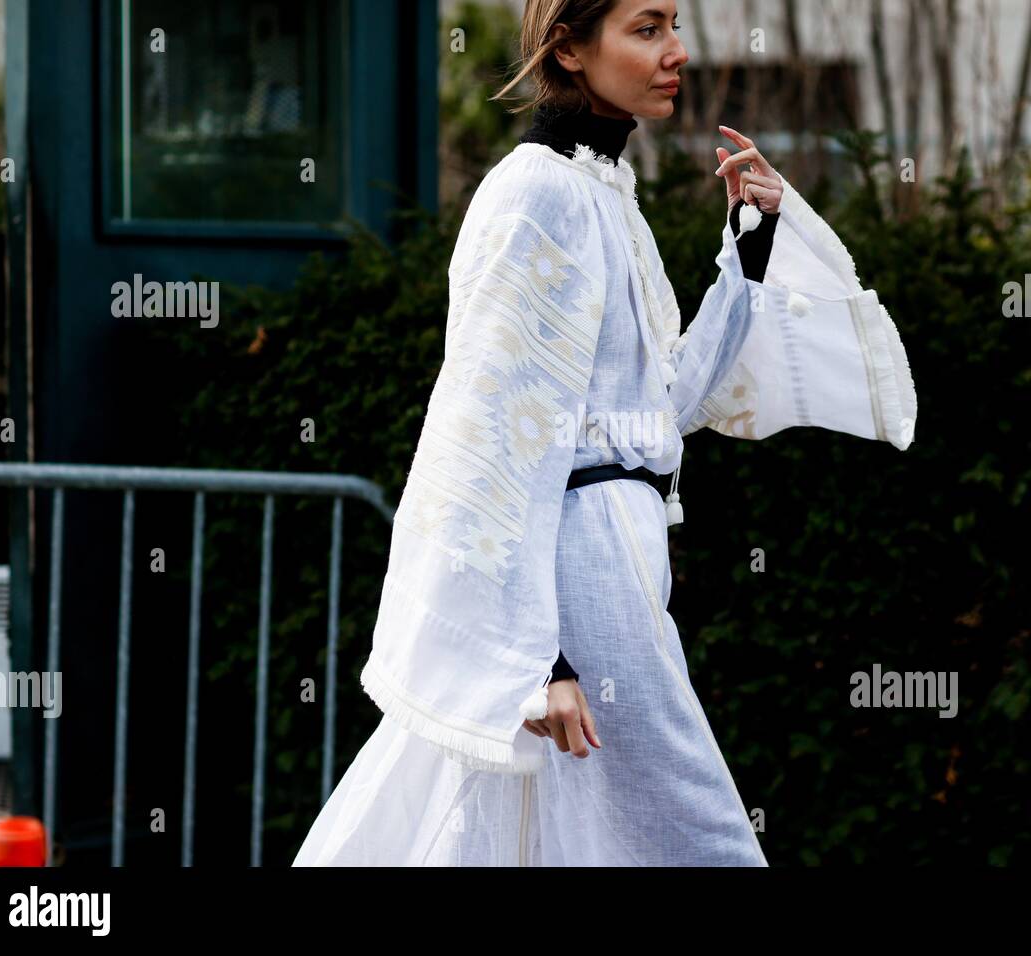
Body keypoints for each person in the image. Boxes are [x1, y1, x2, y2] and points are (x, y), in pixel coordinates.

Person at [292, 0, 916, 866]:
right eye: (647, 28)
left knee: (558, 829)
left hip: (621, 556)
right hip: (579, 570)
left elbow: (665, 403)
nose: (678, 52)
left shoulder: (602, 193)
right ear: (571, 49)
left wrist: (752, 245)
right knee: (697, 829)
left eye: (675, 26)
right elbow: (487, 432)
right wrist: (535, 656)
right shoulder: (536, 191)